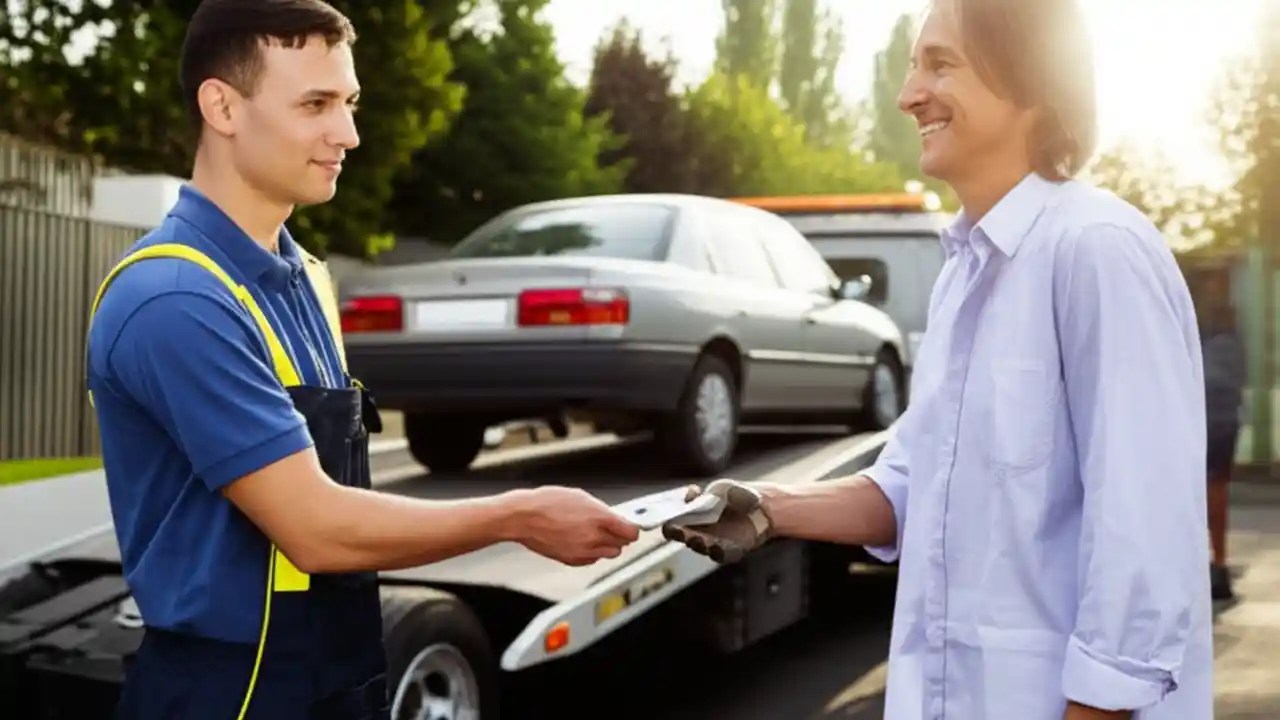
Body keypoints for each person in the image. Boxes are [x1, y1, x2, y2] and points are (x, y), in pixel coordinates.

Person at [85, 1, 639, 718]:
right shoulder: (175, 298)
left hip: (335, 670)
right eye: (315, 104)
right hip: (231, 693)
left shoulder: (305, 280)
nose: (347, 134)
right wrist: (518, 514)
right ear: (221, 107)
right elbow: (316, 529)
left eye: (348, 104)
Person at [663, 0, 1213, 718]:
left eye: (939, 64)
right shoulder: (963, 272)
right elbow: (913, 481)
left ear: (1030, 78)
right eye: (912, 67)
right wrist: (769, 509)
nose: (908, 95)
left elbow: (1145, 535)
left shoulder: (1096, 249)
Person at [1197, 266, 1245, 601]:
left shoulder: (1218, 334)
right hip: (1221, 420)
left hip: (1212, 421)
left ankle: (1216, 564)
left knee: (1211, 491)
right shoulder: (1229, 331)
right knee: (1214, 491)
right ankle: (1217, 563)